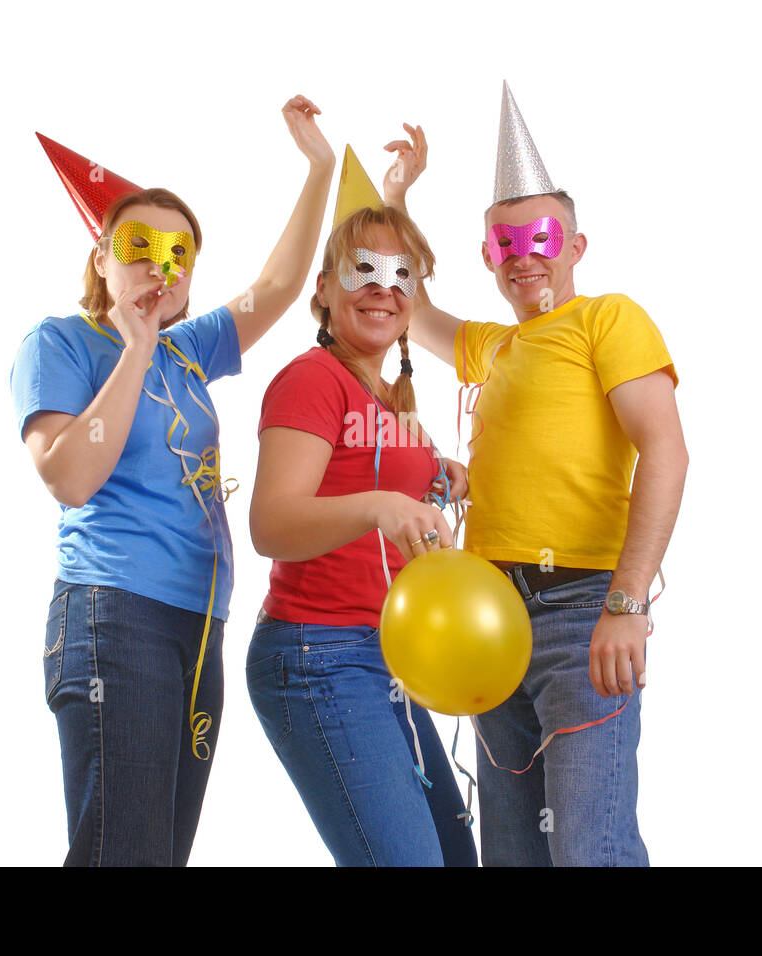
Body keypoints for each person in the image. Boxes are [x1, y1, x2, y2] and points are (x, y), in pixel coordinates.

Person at [10, 95, 335, 866]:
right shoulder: (61, 343)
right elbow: (70, 477)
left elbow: (281, 287)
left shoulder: (191, 351)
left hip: (198, 626)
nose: (161, 265)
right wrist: (133, 349)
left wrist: (319, 167)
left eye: (179, 253)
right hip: (113, 615)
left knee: (156, 855)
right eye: (138, 245)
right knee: (121, 853)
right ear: (99, 256)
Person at [388, 85, 689, 866]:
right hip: (492, 622)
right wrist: (397, 198)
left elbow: (667, 450)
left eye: (540, 237)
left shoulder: (606, 321)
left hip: (583, 610)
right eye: (501, 244)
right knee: (515, 856)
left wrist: (625, 602)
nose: (522, 255)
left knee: (591, 850)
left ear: (577, 247)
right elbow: (410, 306)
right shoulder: (492, 346)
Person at [244, 148, 478, 866]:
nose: (384, 290)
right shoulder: (312, 380)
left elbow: (377, 475)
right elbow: (272, 524)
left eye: (401, 275)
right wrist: (379, 503)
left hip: (386, 657)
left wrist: (440, 473)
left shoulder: (388, 397)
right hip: (318, 657)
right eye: (362, 272)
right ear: (322, 290)